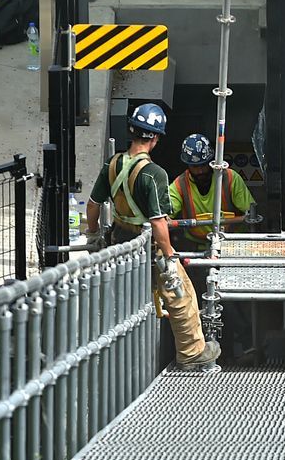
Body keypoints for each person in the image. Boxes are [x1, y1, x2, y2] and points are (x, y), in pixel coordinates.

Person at [83, 104, 220, 370]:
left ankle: (111, 359)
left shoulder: (112, 165)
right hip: (149, 247)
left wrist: (93, 235)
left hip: (119, 244)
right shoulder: (154, 173)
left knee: (122, 300)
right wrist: (170, 257)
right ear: (155, 138)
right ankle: (191, 354)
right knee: (182, 296)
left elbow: (92, 205)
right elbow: (158, 222)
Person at [169, 133, 255, 248]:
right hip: (197, 245)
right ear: (188, 165)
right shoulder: (179, 185)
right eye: (195, 167)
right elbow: (165, 215)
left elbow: (251, 212)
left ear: (211, 161)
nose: (200, 171)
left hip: (233, 243)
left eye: (203, 165)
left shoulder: (229, 178)